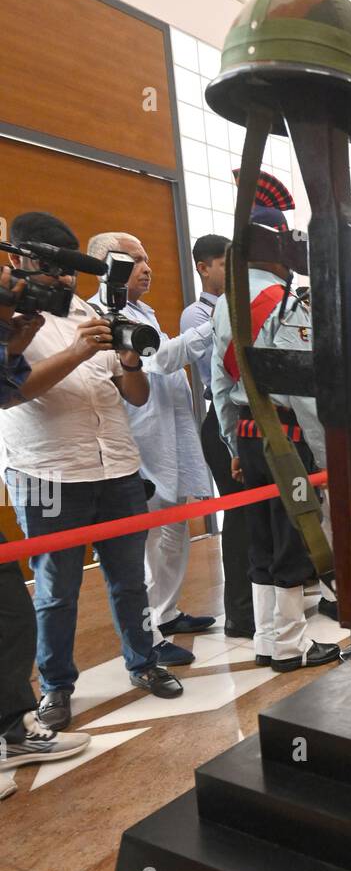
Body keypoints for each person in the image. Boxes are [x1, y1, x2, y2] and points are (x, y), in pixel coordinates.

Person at [0, 211, 182, 731]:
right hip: (47, 473)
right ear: (19, 260)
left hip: (119, 467)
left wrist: (127, 363)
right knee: (57, 590)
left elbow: (138, 397)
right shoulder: (11, 317)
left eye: (68, 269)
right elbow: (12, 394)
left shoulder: (93, 311)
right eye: (49, 267)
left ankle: (144, 662)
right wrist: (81, 350)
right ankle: (56, 687)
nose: (61, 279)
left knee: (129, 578)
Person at [210, 179, 340, 673]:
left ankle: (267, 640)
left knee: (261, 542)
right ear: (279, 245)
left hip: (247, 437)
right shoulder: (288, 305)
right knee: (293, 541)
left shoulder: (225, 302)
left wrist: (232, 447)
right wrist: (326, 465)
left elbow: (219, 387)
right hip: (285, 444)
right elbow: (304, 396)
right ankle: (289, 646)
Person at [86, 231, 217, 667]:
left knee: (173, 533)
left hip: (169, 436)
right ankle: (150, 630)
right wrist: (217, 324)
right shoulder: (103, 315)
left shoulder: (144, 310)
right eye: (135, 260)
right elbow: (159, 359)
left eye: (147, 258)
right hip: (136, 444)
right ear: (107, 265)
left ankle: (168, 612)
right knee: (145, 546)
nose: (147, 267)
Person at [0, 267, 90, 794]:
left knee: (11, 613)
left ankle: (14, 725)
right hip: (42, 469)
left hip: (101, 462)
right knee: (54, 580)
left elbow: (5, 384)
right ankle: (53, 690)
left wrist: (13, 341)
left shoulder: (83, 314)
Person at [180, 235, 255, 640]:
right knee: (240, 517)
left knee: (256, 515)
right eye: (224, 265)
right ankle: (240, 614)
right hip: (223, 419)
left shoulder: (239, 307)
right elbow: (220, 375)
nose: (232, 273)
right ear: (203, 268)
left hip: (246, 419)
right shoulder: (198, 315)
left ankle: (257, 604)